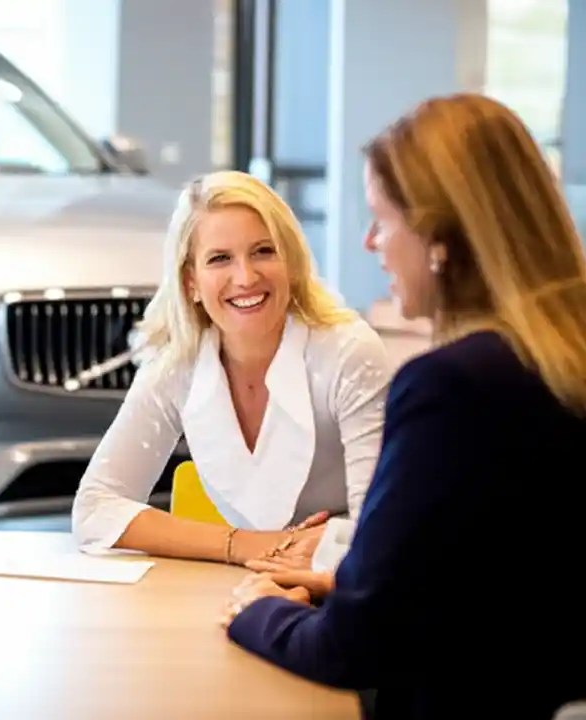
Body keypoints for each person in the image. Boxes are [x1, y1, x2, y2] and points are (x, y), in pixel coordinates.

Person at [223, 93, 586, 718]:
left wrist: (258, 611)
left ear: (438, 238)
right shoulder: (561, 361)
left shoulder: (454, 387)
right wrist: (354, 586)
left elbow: (354, 648)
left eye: (382, 220)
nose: (371, 243)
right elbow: (510, 581)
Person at [72, 170, 392, 566]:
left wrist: (318, 546)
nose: (245, 277)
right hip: (238, 584)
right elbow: (94, 508)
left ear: (290, 261)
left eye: (263, 251)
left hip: (345, 590)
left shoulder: (347, 351)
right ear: (191, 281)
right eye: (220, 259)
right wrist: (244, 545)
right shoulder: (176, 364)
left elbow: (382, 531)